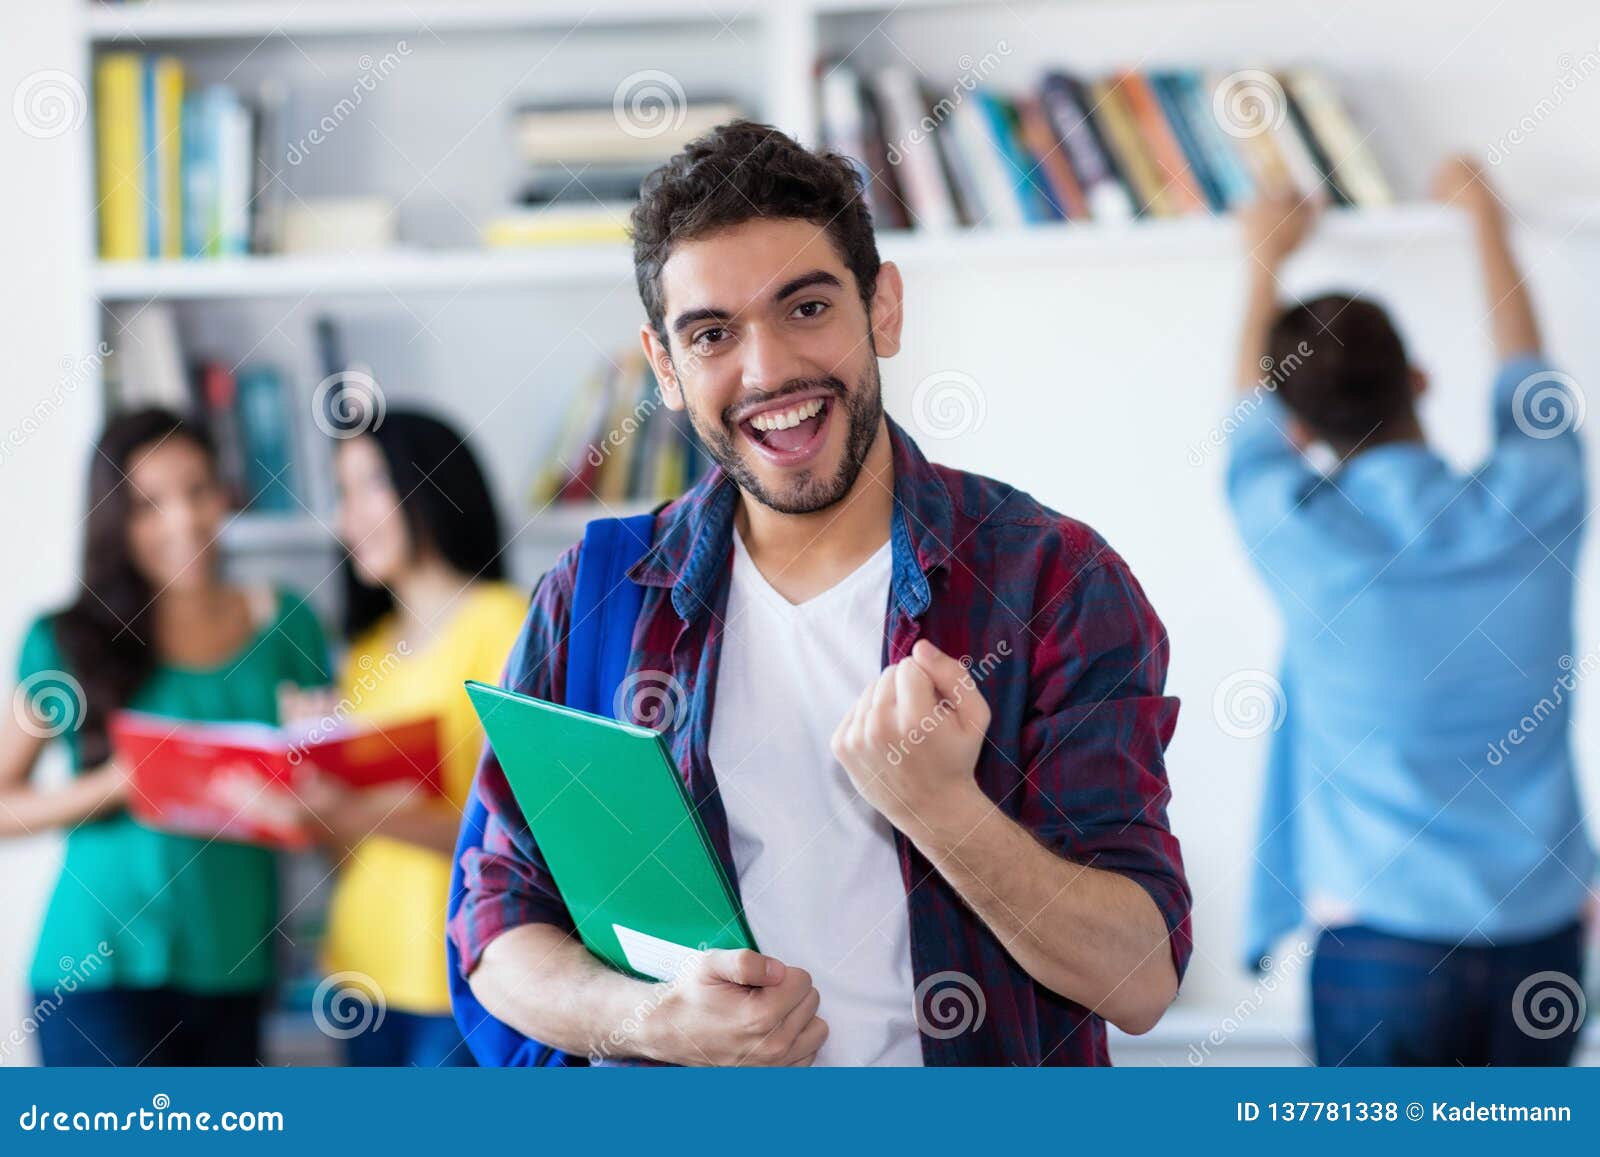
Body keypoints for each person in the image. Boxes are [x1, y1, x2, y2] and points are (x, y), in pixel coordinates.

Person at [450, 121, 1191, 1066]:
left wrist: (940, 809)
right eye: (713, 333)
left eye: (805, 308)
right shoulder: (593, 597)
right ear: (665, 367)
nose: (768, 372)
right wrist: (655, 1021)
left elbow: (1138, 980)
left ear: (882, 308)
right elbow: (495, 927)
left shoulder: (1052, 581)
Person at [1227, 159, 1594, 1066]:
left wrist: (1263, 258)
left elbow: (1247, 432)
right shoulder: (1541, 503)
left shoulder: (1297, 533)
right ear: (1423, 379)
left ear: (1300, 428)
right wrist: (1484, 220)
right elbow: (1531, 385)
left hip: (1380, 952)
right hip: (1540, 938)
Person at [1, 407, 331, 1066]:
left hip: (235, 965)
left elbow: (322, 793)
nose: (184, 519)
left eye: (198, 490)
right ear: (116, 518)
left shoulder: (288, 624)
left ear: (224, 493)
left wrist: (312, 784)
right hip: (97, 971)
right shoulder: (66, 638)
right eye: (150, 503)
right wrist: (121, 781)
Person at [284, 410, 526, 1067]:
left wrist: (355, 810)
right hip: (361, 966)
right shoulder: (362, 656)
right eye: (341, 492)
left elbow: (516, 830)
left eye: (370, 485)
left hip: (457, 970)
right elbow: (345, 852)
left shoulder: (504, 624)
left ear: (429, 487)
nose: (348, 516)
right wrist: (307, 782)